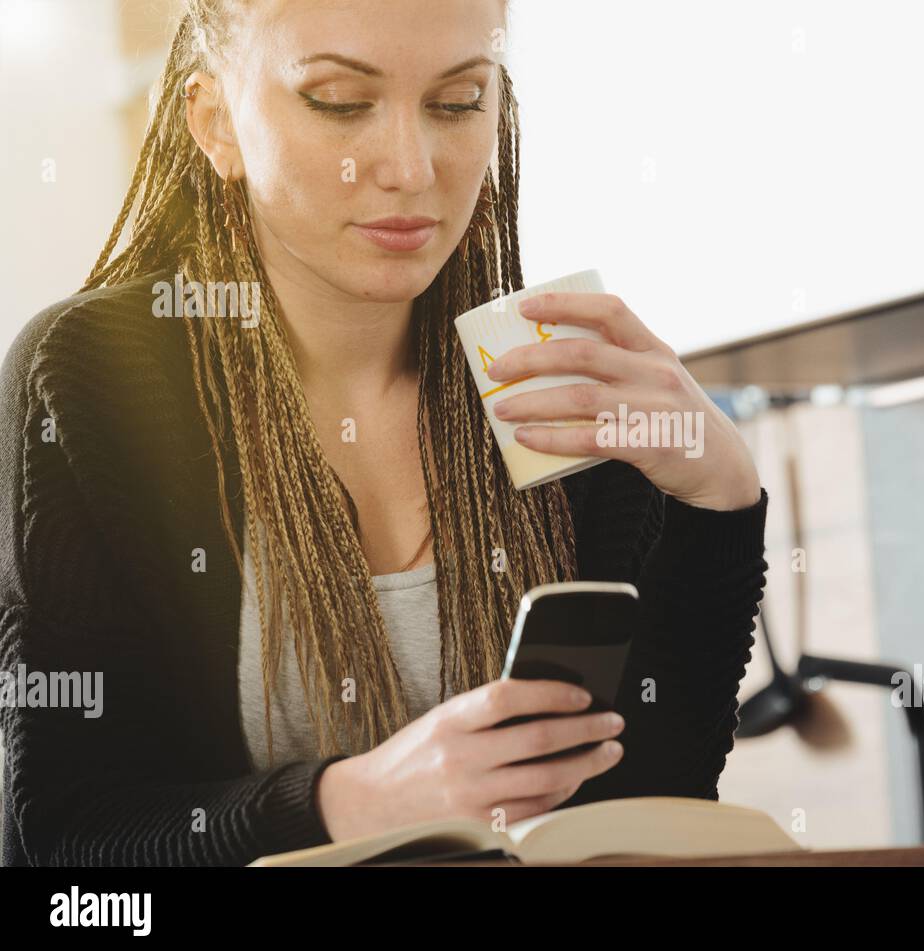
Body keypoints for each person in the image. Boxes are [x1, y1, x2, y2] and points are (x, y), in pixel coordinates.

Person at [0, 0, 768, 866]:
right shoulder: (92, 377)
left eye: (456, 102)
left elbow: (644, 809)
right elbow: (61, 844)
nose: (410, 167)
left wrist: (721, 499)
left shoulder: (551, 381)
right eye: (338, 100)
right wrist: (350, 802)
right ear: (214, 121)